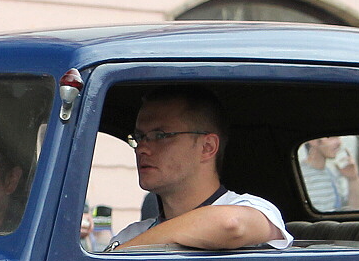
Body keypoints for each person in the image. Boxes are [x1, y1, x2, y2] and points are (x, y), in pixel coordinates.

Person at [108, 88, 292, 251]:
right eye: (140, 137)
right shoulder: (130, 235)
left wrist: (126, 251)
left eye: (160, 135)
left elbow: (231, 224)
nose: (142, 148)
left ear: (207, 147)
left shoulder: (254, 209)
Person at [298, 135, 359, 212]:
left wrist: (353, 178)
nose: (339, 142)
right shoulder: (302, 176)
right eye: (332, 138)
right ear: (313, 141)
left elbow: (357, 211)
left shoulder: (332, 175)